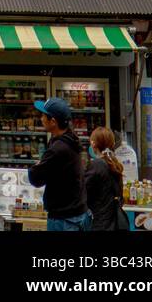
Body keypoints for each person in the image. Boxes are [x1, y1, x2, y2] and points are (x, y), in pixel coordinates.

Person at [27, 97, 91, 231]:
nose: (41, 118)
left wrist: (36, 166)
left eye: (43, 115)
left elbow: (35, 178)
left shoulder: (58, 149)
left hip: (64, 219)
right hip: (78, 214)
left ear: (53, 121)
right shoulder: (70, 139)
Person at [84, 127, 128, 231]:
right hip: (112, 221)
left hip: (99, 222)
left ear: (93, 144)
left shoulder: (97, 164)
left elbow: (81, 190)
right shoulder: (113, 163)